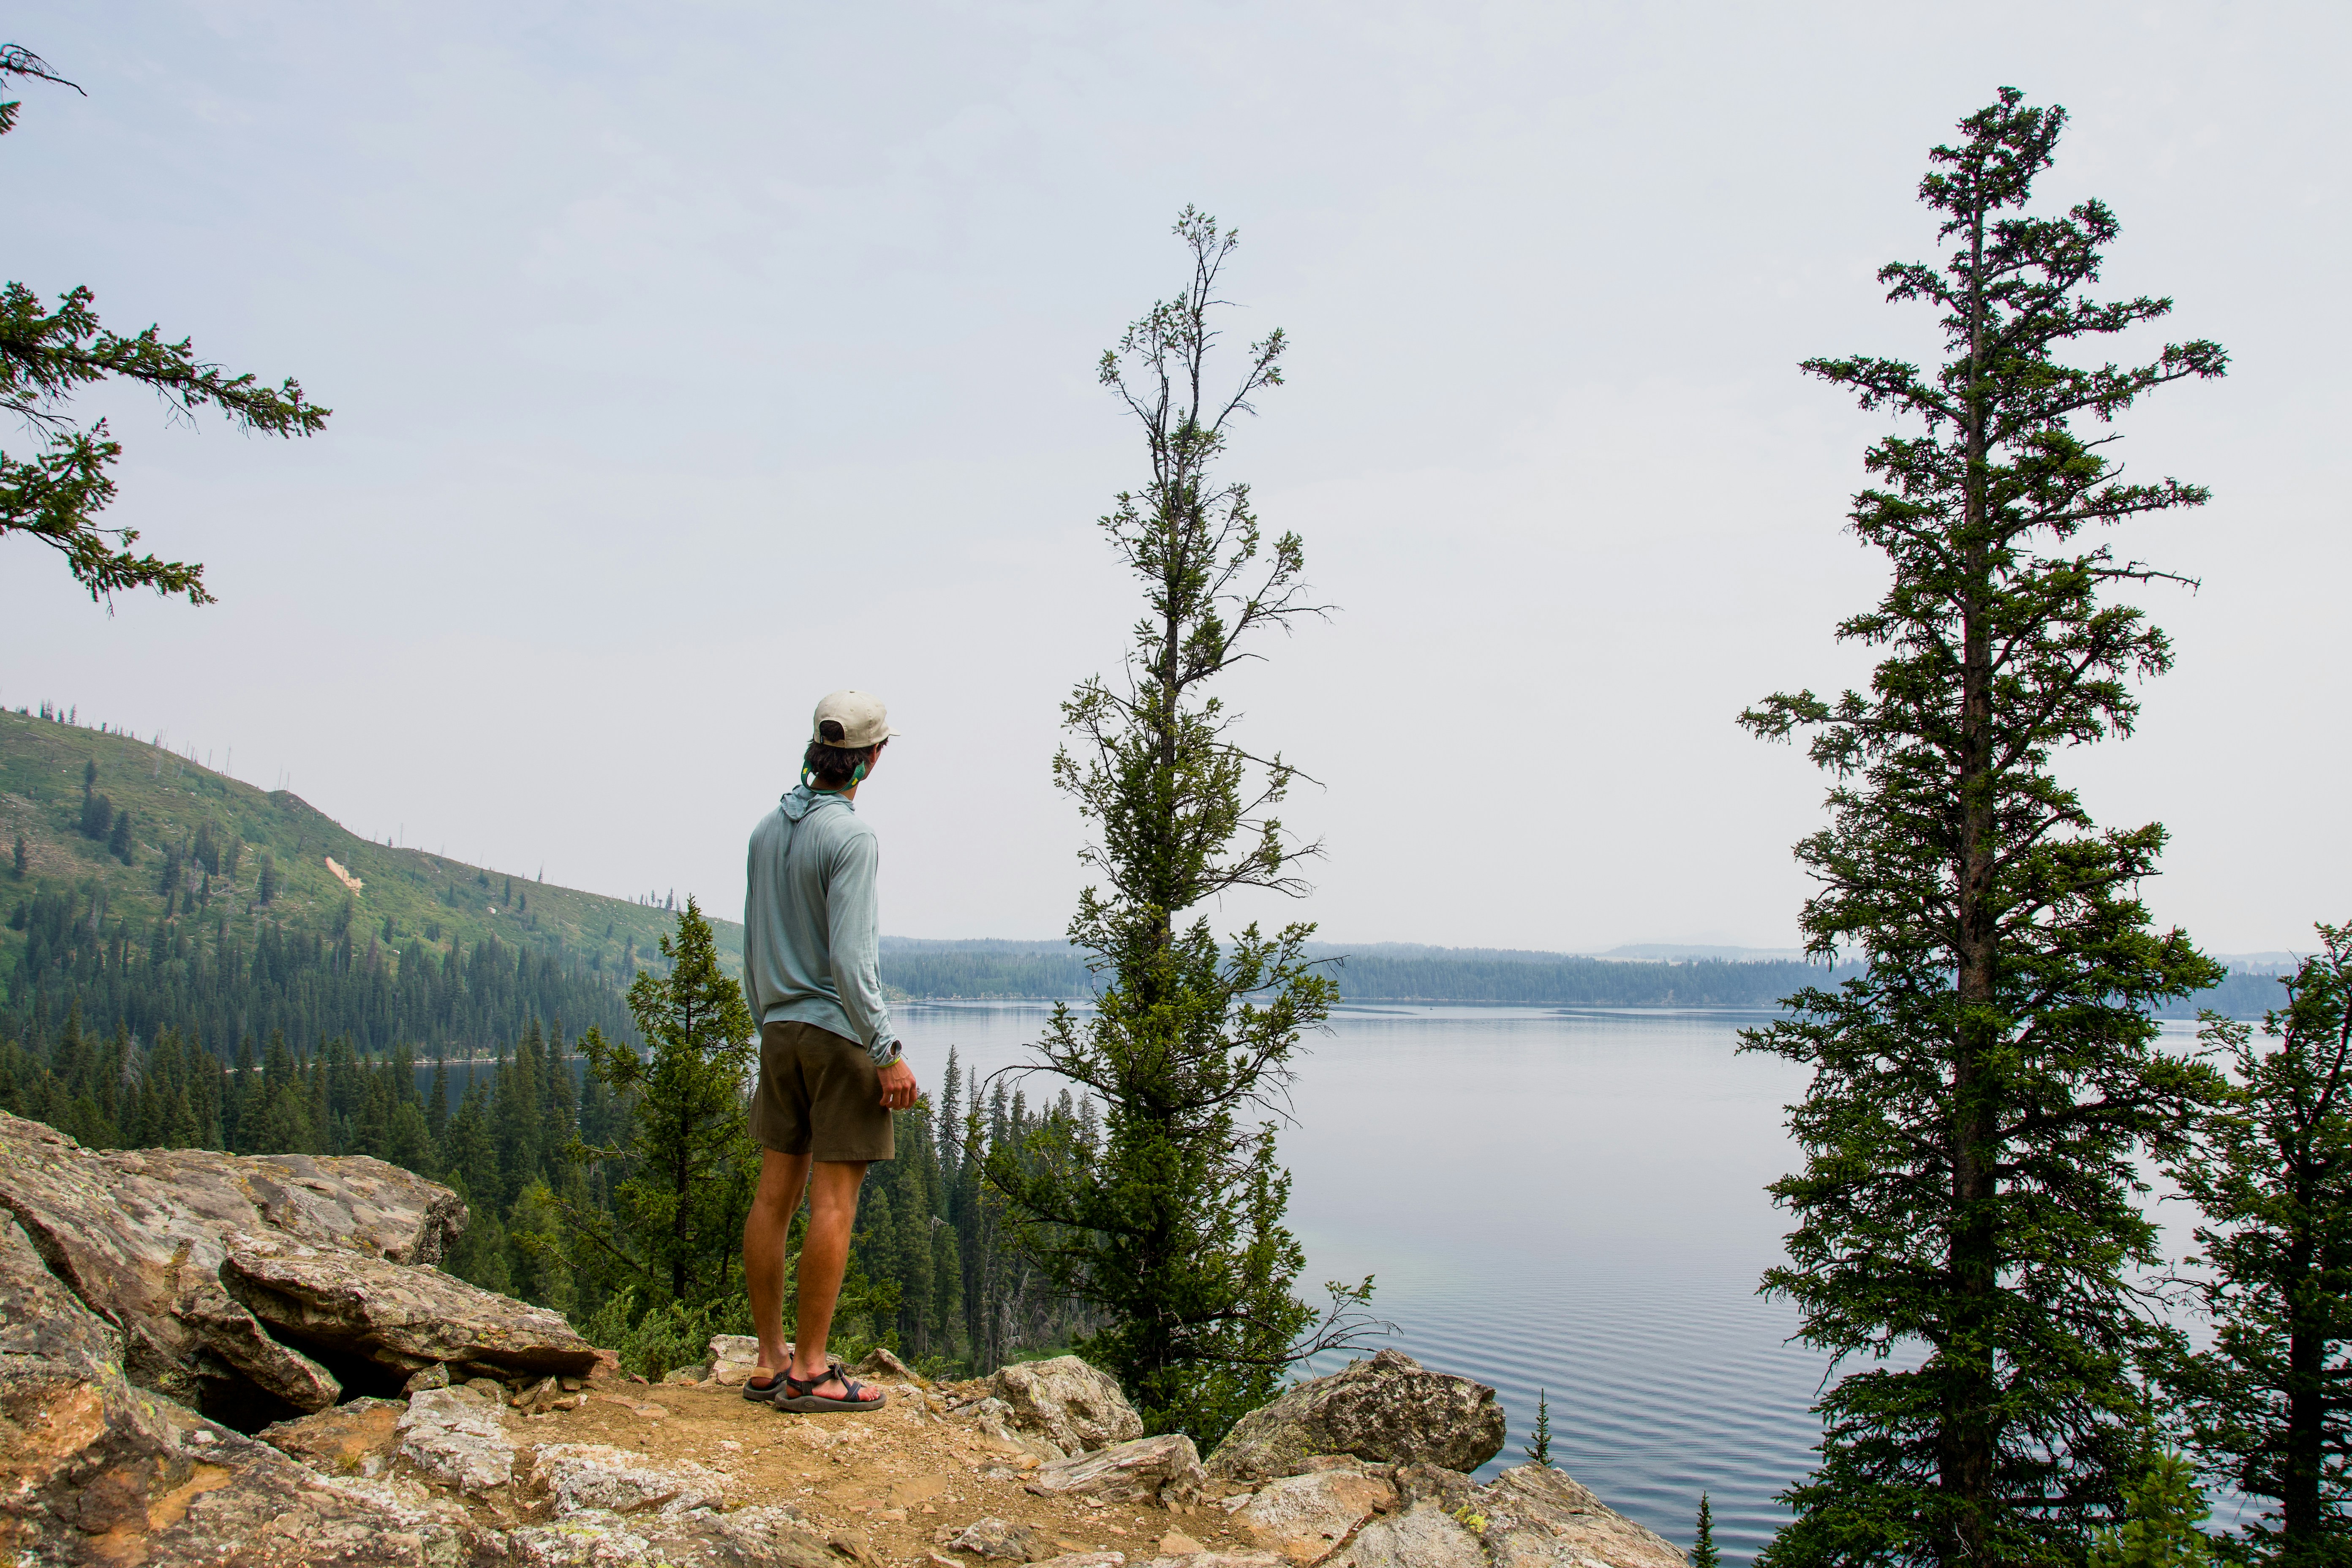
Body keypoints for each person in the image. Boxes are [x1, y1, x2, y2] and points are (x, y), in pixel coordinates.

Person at [738, 690, 919, 1413]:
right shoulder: (852, 838)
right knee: (833, 1205)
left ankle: (767, 1363)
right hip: (839, 1037)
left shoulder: (764, 832)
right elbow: (850, 959)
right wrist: (886, 1051)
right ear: (870, 761)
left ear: (818, 750)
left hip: (779, 1030)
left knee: (773, 1197)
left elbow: (753, 944)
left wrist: (769, 1026)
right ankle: (812, 1371)